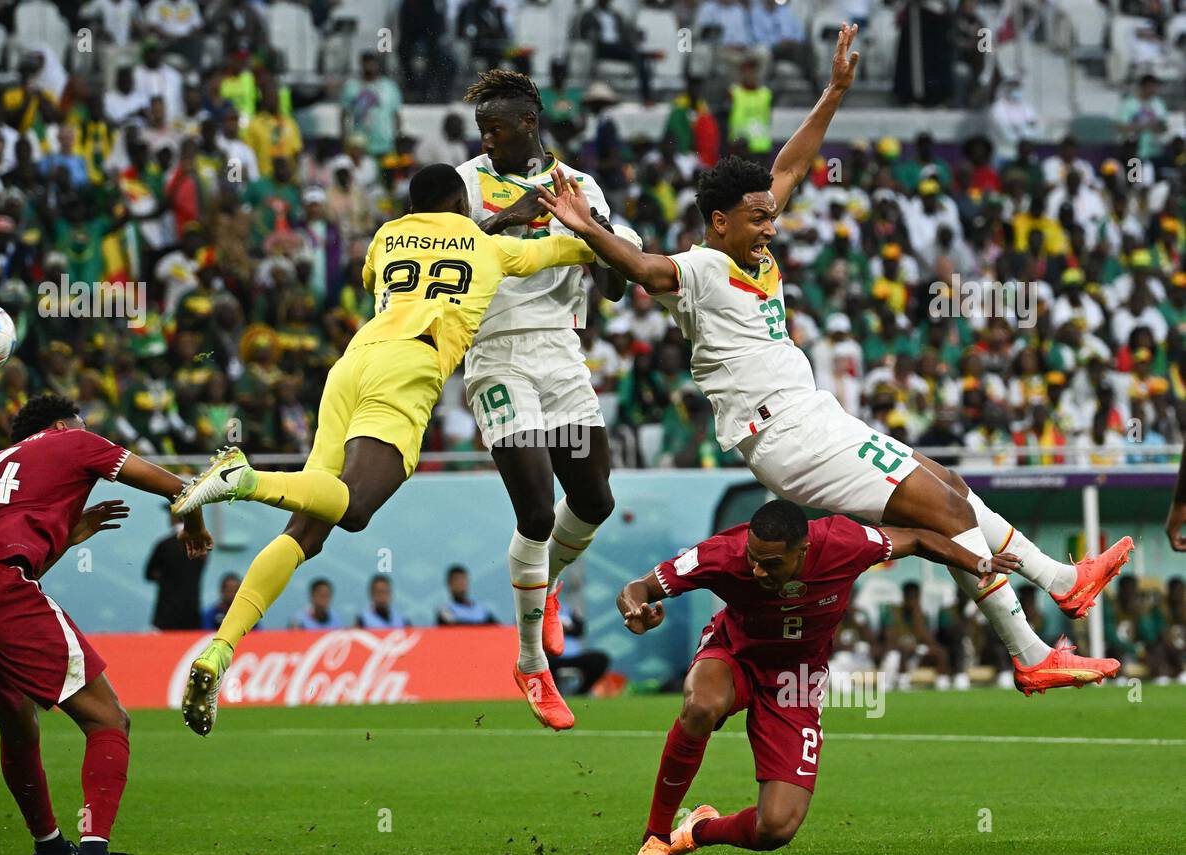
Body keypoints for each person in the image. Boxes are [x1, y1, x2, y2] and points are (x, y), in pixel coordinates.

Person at [538, 24, 1129, 701]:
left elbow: (788, 166)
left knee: (952, 490)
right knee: (939, 509)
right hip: (781, 433)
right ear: (718, 221)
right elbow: (642, 269)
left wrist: (833, 93)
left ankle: (1055, 596)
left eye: (771, 216)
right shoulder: (700, 267)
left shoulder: (748, 248)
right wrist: (586, 226)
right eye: (757, 218)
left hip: (810, 416)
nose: (772, 224)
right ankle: (1040, 630)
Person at [170, 163, 596, 736]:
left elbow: (407, 262)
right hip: (408, 368)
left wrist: (488, 225)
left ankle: (218, 652)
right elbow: (570, 253)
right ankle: (244, 478)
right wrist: (561, 225)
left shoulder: (385, 236)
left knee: (305, 532)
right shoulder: (489, 249)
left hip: (352, 363)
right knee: (355, 507)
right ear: (461, 203)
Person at [620, 499, 1024, 855]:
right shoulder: (724, 553)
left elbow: (917, 537)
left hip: (797, 678)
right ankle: (654, 837)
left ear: (804, 550)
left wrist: (979, 564)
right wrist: (636, 608)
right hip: (735, 655)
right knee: (701, 705)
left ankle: (695, 831)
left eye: (771, 562)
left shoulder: (845, 541)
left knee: (776, 828)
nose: (758, 569)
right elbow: (640, 587)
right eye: (754, 558)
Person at [0, 394, 213, 855]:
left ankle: (51, 851)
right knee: (108, 719)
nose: (86, 430)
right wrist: (194, 529)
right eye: (80, 424)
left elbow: (16, 562)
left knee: (17, 727)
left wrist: (66, 535)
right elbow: (181, 490)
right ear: (62, 425)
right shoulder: (73, 440)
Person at [454, 70, 633, 733]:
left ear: (528, 124)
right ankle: (531, 663)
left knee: (593, 499)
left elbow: (615, 289)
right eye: (482, 131)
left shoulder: (582, 187)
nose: (487, 139)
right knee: (534, 509)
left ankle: (548, 583)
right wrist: (512, 217)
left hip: (560, 352)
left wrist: (598, 240)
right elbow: (449, 259)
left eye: (495, 129)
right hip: (497, 352)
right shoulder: (465, 183)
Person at [144, 510, 208, 629]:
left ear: (174, 516)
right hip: (191, 613)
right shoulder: (201, 546)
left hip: (166, 615)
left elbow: (149, 574)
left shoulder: (164, 545)